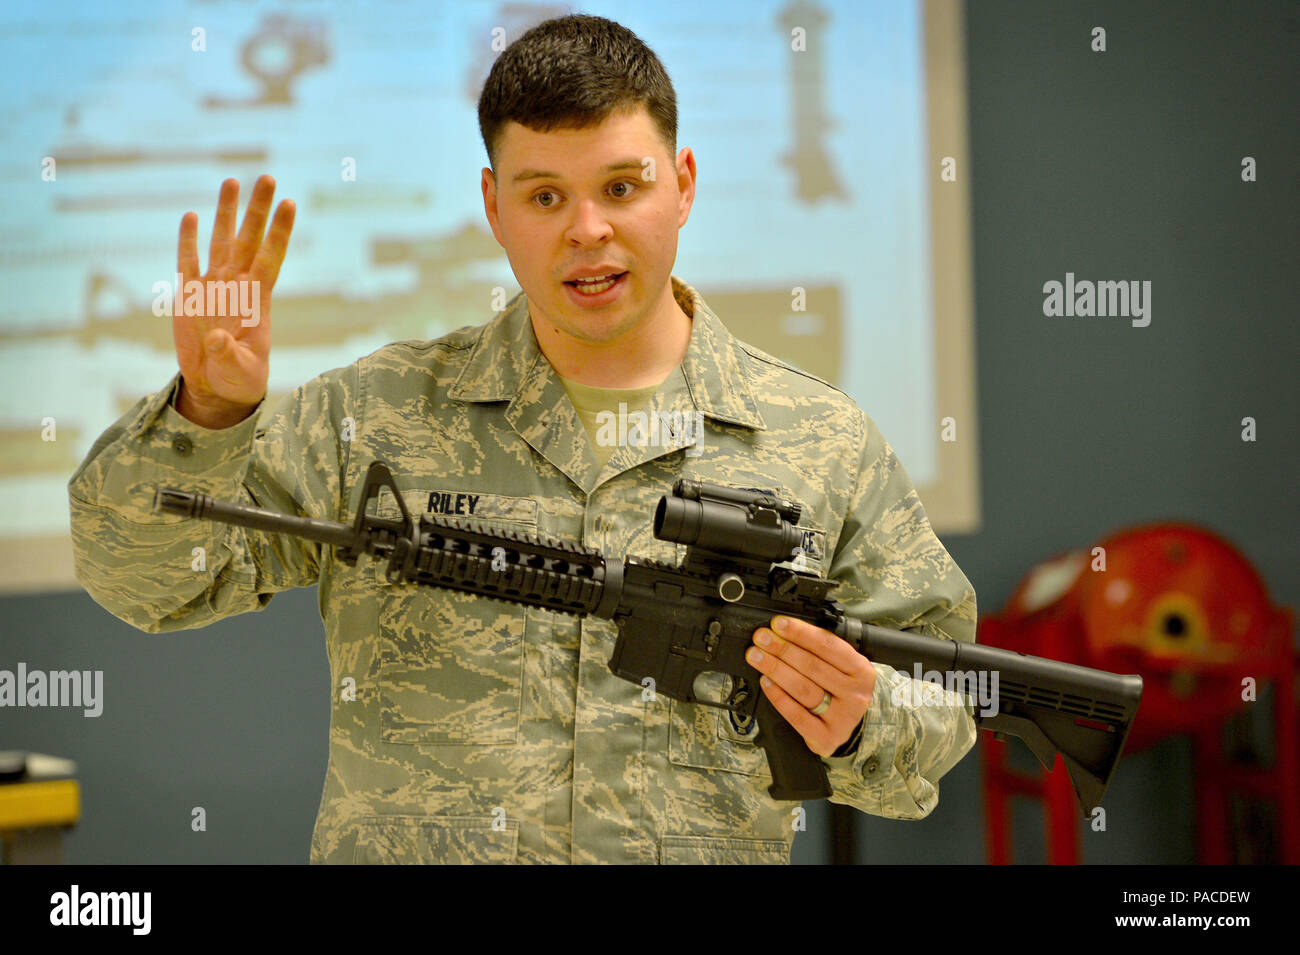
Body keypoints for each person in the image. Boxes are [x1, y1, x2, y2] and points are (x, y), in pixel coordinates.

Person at [68, 14, 977, 864]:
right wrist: (207, 413)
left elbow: (949, 694)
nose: (588, 231)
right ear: (494, 207)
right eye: (545, 195)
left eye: (622, 187)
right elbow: (145, 580)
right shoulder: (372, 416)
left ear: (684, 185)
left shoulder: (822, 440)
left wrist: (864, 717)